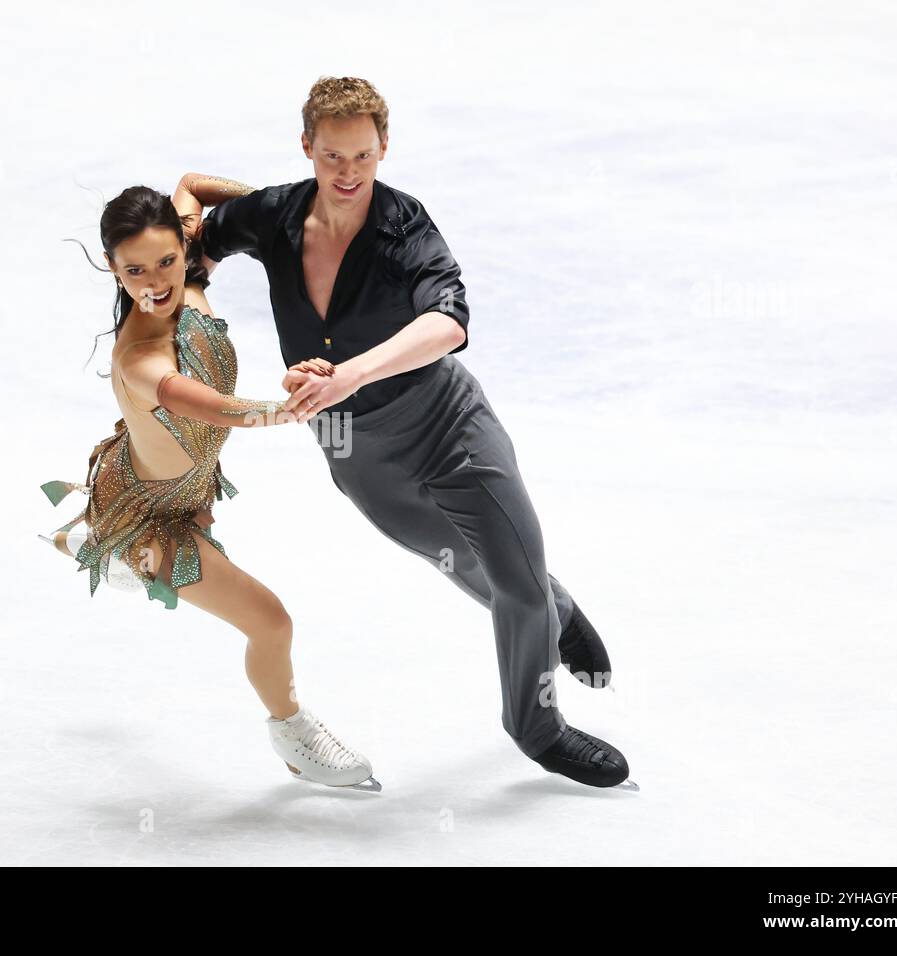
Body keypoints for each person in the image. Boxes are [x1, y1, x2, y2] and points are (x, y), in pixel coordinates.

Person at [188, 76, 636, 790]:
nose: (349, 172)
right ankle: (558, 613)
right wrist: (190, 291)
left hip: (446, 422)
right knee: (466, 566)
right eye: (333, 156)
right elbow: (195, 236)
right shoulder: (273, 215)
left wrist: (348, 374)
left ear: (384, 148)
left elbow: (449, 322)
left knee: (514, 580)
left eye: (363, 155)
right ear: (307, 147)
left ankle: (537, 727)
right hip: (352, 449)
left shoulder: (404, 226)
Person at [38, 183, 379, 791]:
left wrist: (293, 212)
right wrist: (290, 405)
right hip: (154, 516)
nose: (156, 281)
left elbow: (192, 184)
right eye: (134, 270)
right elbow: (215, 408)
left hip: (176, 484)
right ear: (113, 271)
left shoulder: (189, 262)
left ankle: (90, 535)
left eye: (166, 260)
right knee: (272, 624)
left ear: (182, 242)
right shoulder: (142, 358)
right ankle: (293, 734)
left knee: (137, 557)